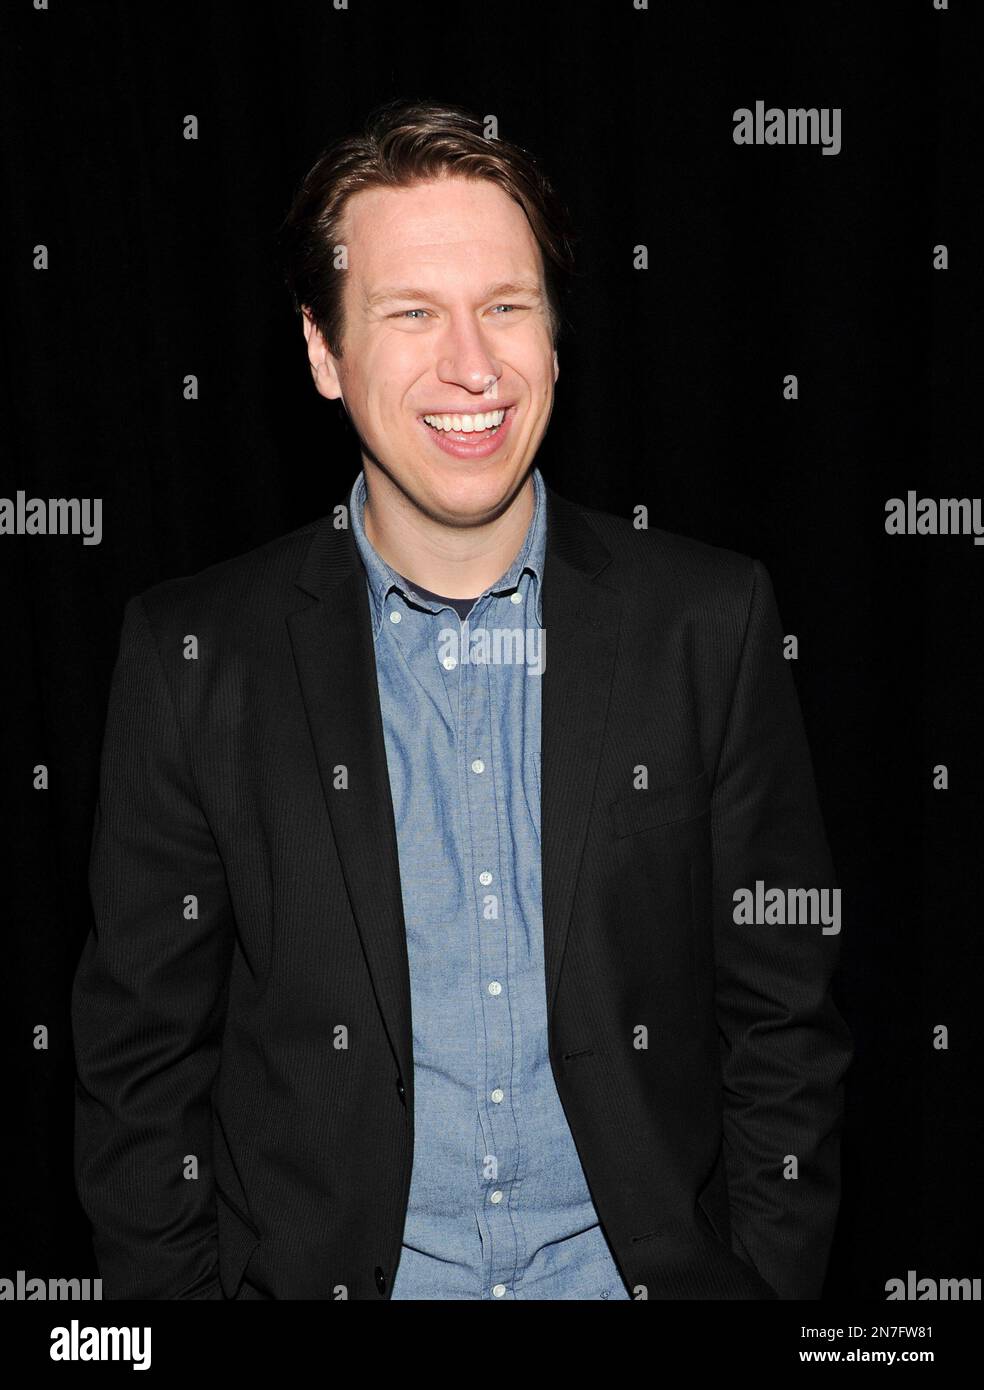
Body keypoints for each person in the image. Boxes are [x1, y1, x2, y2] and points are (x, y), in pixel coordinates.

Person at [71, 98, 853, 1301]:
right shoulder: (192, 658)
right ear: (324, 354)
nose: (472, 366)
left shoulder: (710, 623)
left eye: (506, 306)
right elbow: (139, 1068)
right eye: (412, 314)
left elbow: (782, 1016)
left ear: (554, 338)